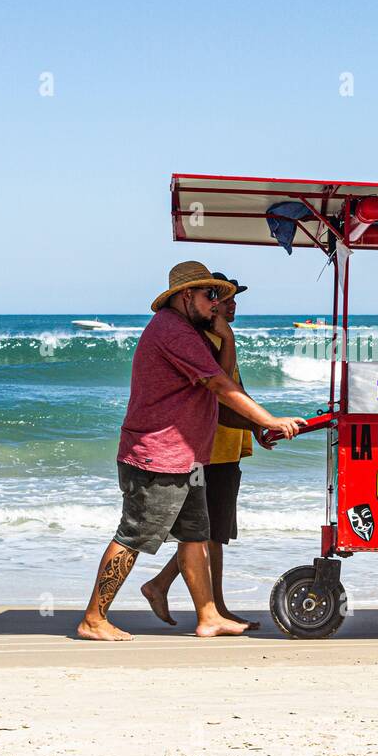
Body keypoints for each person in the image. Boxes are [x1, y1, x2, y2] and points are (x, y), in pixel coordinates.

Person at [76, 261, 304, 641]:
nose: (218, 303)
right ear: (186, 296)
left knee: (195, 536)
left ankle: (208, 616)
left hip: (189, 458)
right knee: (133, 536)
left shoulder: (191, 333)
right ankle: (93, 618)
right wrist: (269, 420)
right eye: (210, 294)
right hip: (156, 456)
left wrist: (252, 423)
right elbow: (219, 384)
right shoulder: (172, 331)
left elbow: (219, 384)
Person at [140, 271, 258, 629]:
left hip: (228, 447)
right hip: (207, 450)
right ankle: (204, 606)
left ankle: (207, 605)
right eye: (226, 298)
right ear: (209, 302)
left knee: (214, 532)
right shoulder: (201, 339)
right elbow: (217, 394)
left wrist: (256, 426)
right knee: (203, 531)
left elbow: (236, 391)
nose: (233, 304)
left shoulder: (218, 336)